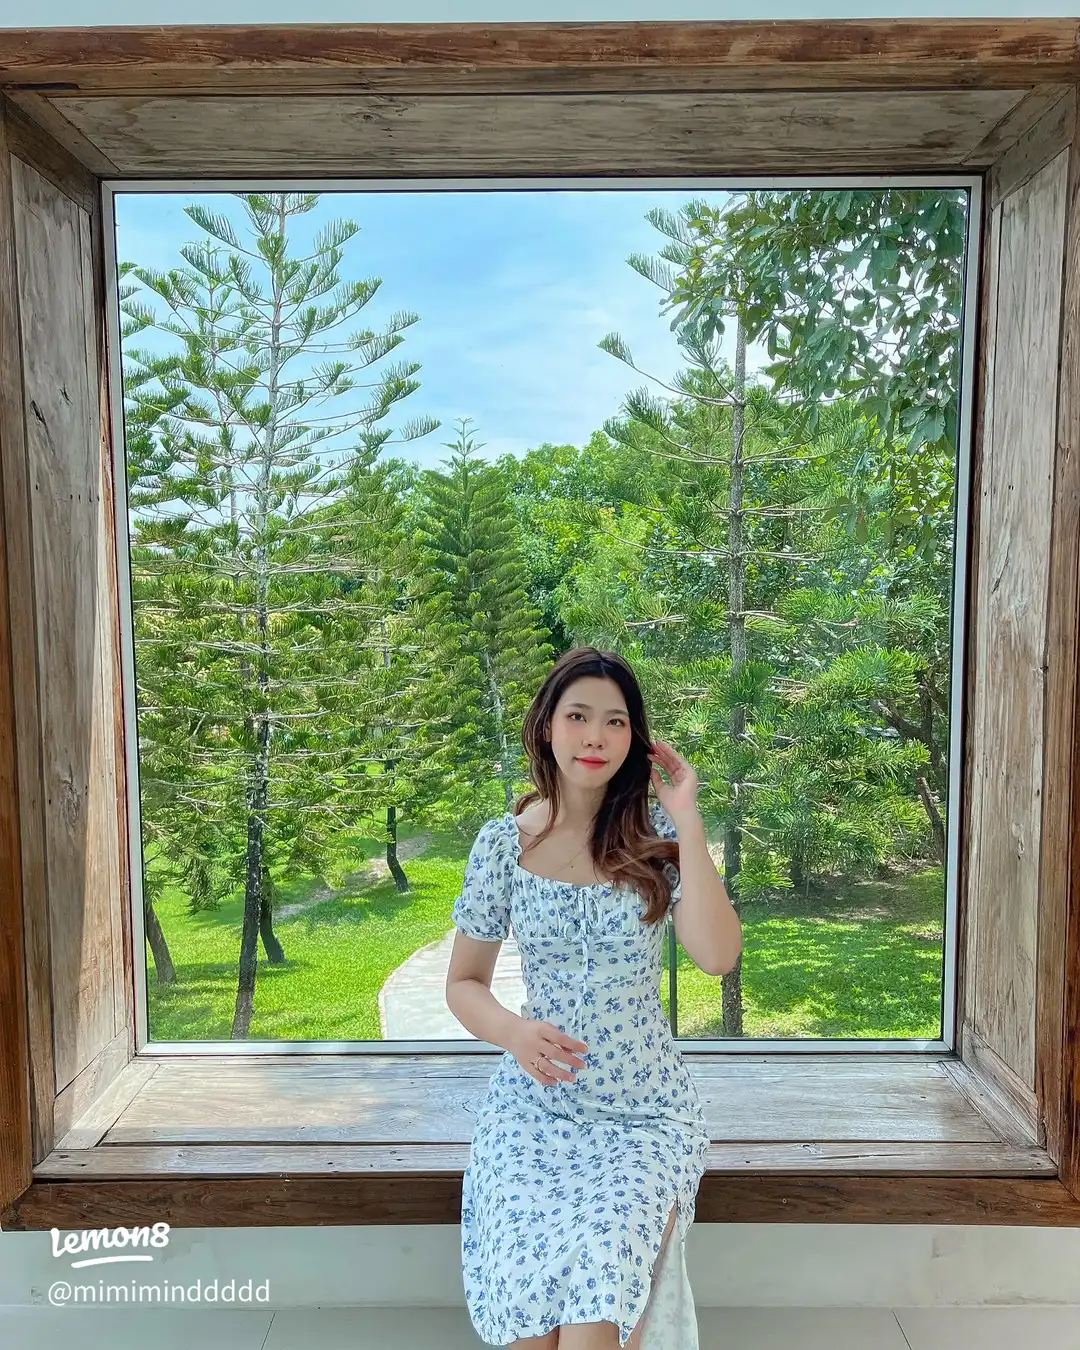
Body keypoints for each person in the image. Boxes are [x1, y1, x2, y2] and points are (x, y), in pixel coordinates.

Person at [445, 646, 742, 1349]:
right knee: (529, 1329)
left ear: (634, 740)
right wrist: (514, 1034)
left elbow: (717, 955)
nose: (595, 737)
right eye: (578, 716)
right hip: (536, 1109)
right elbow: (463, 985)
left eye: (615, 722)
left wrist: (688, 818)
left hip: (643, 1113)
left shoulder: (659, 839)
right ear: (548, 726)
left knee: (591, 1330)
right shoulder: (502, 846)